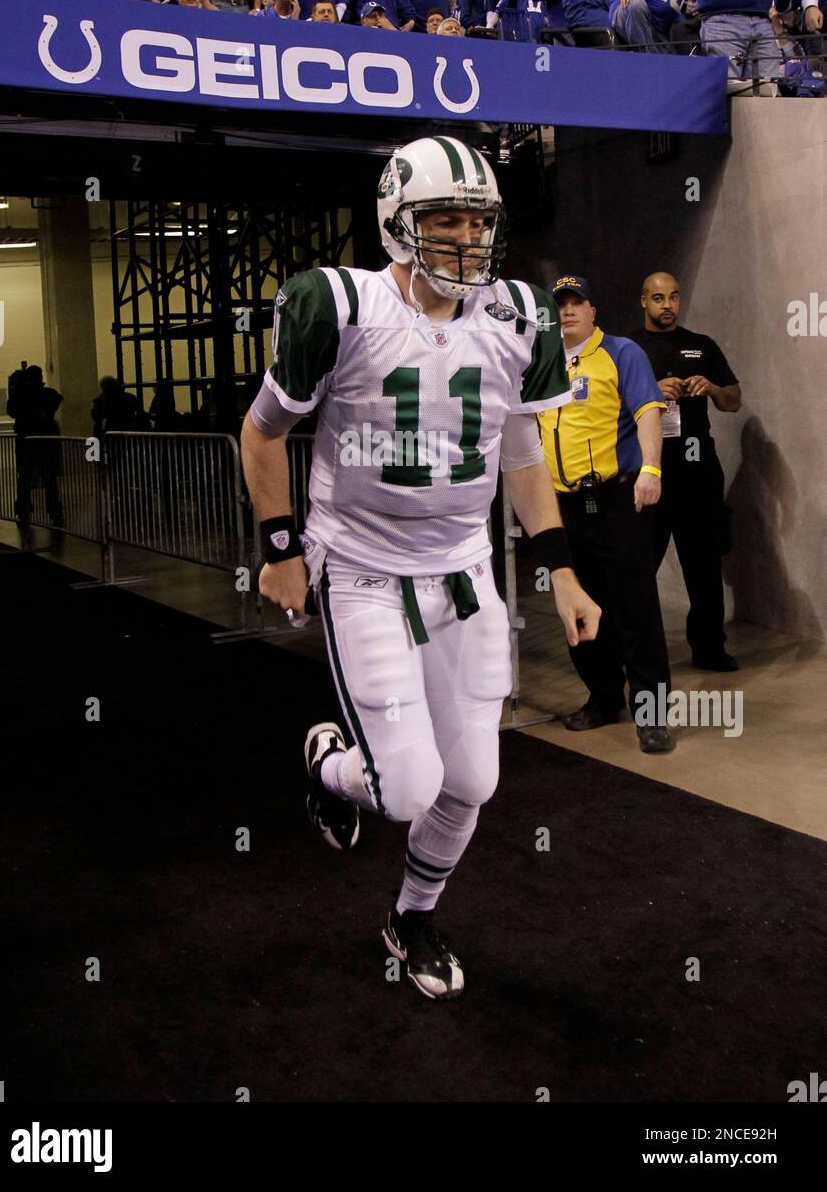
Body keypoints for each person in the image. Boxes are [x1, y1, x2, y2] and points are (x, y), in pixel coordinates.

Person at [241, 136, 599, 999]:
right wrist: (282, 550)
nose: (468, 241)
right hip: (363, 569)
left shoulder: (519, 314)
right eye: (447, 220)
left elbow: (521, 454)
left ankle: (409, 918)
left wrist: (562, 570)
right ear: (398, 222)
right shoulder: (339, 304)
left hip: (464, 572)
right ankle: (329, 763)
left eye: (481, 222)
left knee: (472, 780)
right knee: (406, 788)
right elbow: (261, 432)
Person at [537, 276, 673, 753]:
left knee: (634, 607)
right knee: (579, 606)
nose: (569, 310)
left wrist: (651, 469)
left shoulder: (621, 352)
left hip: (617, 498)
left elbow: (648, 413)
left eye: (577, 302)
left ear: (593, 310)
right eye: (561, 304)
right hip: (564, 504)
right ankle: (603, 697)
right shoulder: (541, 362)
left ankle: (652, 714)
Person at [630, 273, 741, 671]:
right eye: (658, 298)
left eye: (673, 297)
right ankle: (637, 654)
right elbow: (608, 411)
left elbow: (733, 401)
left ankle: (710, 648)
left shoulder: (701, 345)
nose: (667, 305)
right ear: (643, 301)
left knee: (705, 566)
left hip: (698, 476)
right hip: (649, 472)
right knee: (639, 567)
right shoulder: (628, 349)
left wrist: (710, 387)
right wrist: (650, 393)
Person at [6, 363, 63, 524]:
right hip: (46, 440)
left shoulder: (20, 396)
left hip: (26, 440)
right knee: (49, 477)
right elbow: (56, 400)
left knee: (24, 475)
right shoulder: (48, 394)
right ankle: (53, 510)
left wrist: (17, 388)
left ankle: (24, 508)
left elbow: (12, 411)